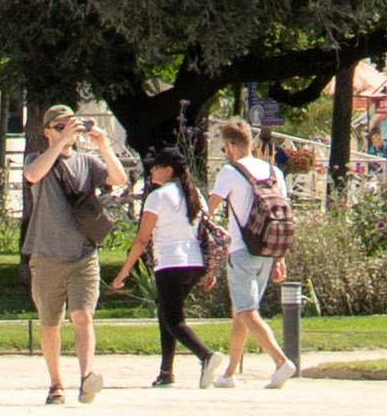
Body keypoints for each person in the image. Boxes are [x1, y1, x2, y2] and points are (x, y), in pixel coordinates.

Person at [21, 105, 125, 403]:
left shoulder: (87, 162)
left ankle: (86, 378)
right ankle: (56, 384)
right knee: (50, 324)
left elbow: (117, 180)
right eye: (58, 127)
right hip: (46, 254)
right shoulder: (37, 159)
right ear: (47, 132)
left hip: (83, 254)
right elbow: (32, 175)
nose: (66, 131)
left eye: (71, 125)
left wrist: (103, 144)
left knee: (82, 316)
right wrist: (59, 143)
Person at [115, 146, 218, 387]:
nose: (151, 170)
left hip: (171, 263)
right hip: (194, 263)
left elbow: (142, 239)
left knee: (173, 320)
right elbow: (205, 233)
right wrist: (210, 269)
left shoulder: (158, 197)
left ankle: (207, 356)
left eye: (156, 166)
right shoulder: (195, 196)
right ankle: (166, 371)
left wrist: (124, 271)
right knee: (166, 314)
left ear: (168, 170)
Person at [209, 114, 293, 387]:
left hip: (242, 249)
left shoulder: (230, 172)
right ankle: (230, 373)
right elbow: (282, 214)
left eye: (224, 149)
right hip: (267, 249)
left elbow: (208, 211)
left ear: (231, 146)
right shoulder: (274, 172)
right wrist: (280, 258)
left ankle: (281, 362)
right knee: (241, 310)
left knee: (246, 310)